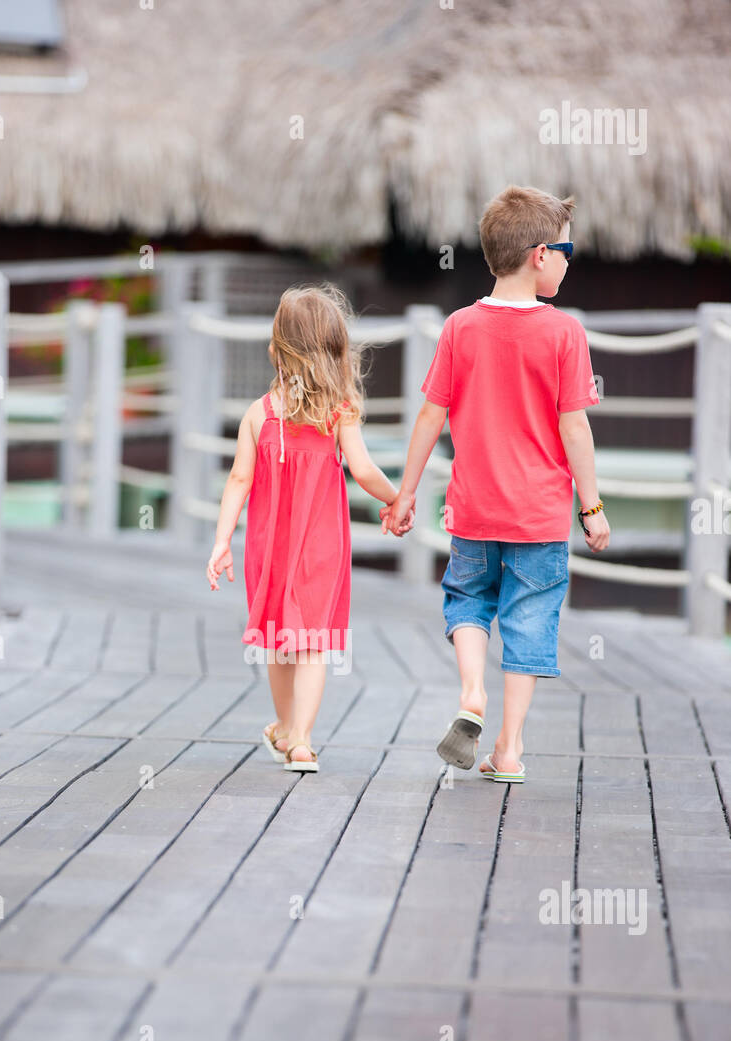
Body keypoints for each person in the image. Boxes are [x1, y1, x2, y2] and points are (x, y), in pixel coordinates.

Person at [381, 185, 610, 783]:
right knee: (530, 619)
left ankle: (473, 691)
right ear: (540, 254)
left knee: (468, 599)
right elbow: (574, 427)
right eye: (565, 251)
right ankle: (508, 751)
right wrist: (593, 507)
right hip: (538, 515)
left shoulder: (460, 327)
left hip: (474, 509)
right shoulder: (564, 333)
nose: (567, 262)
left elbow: (431, 414)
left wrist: (405, 493)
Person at [207, 284, 413, 773]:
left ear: (277, 349)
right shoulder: (338, 410)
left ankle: (284, 727)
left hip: (268, 547)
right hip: (322, 545)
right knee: (313, 641)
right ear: (334, 351)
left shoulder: (259, 415)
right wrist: (397, 499)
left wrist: (221, 543)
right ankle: (301, 739)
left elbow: (238, 479)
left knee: (279, 636)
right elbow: (362, 471)